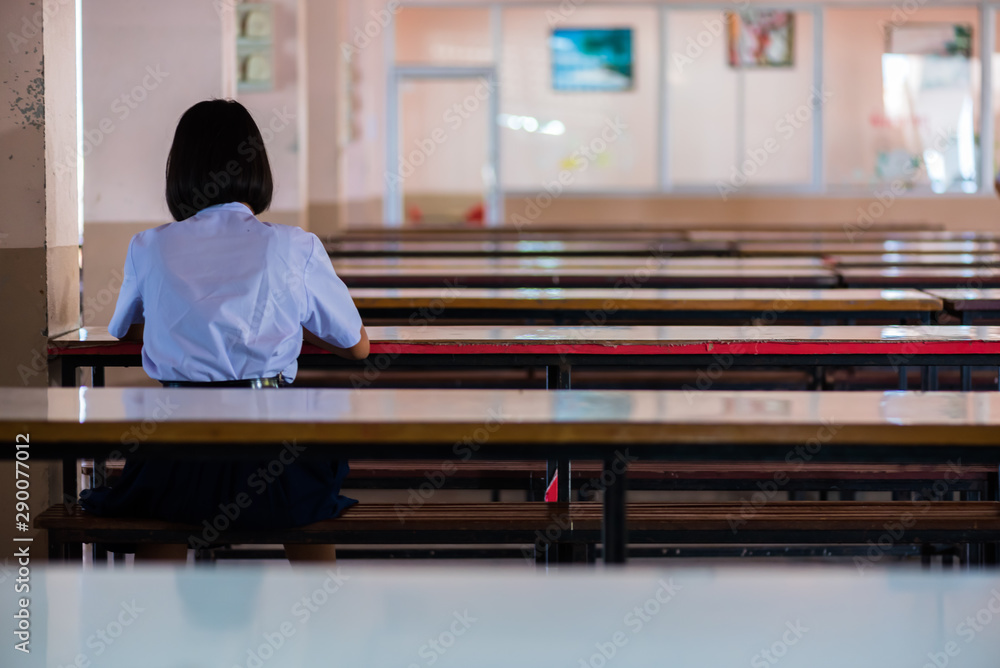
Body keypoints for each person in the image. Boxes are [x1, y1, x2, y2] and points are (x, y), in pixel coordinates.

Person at [81, 99, 369, 563]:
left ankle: (143, 629)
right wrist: (291, 325)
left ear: (179, 171)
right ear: (258, 167)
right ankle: (323, 621)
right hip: (271, 450)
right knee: (309, 509)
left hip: (174, 447)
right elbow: (356, 347)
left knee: (157, 516)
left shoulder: (149, 246)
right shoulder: (294, 245)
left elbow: (125, 331)